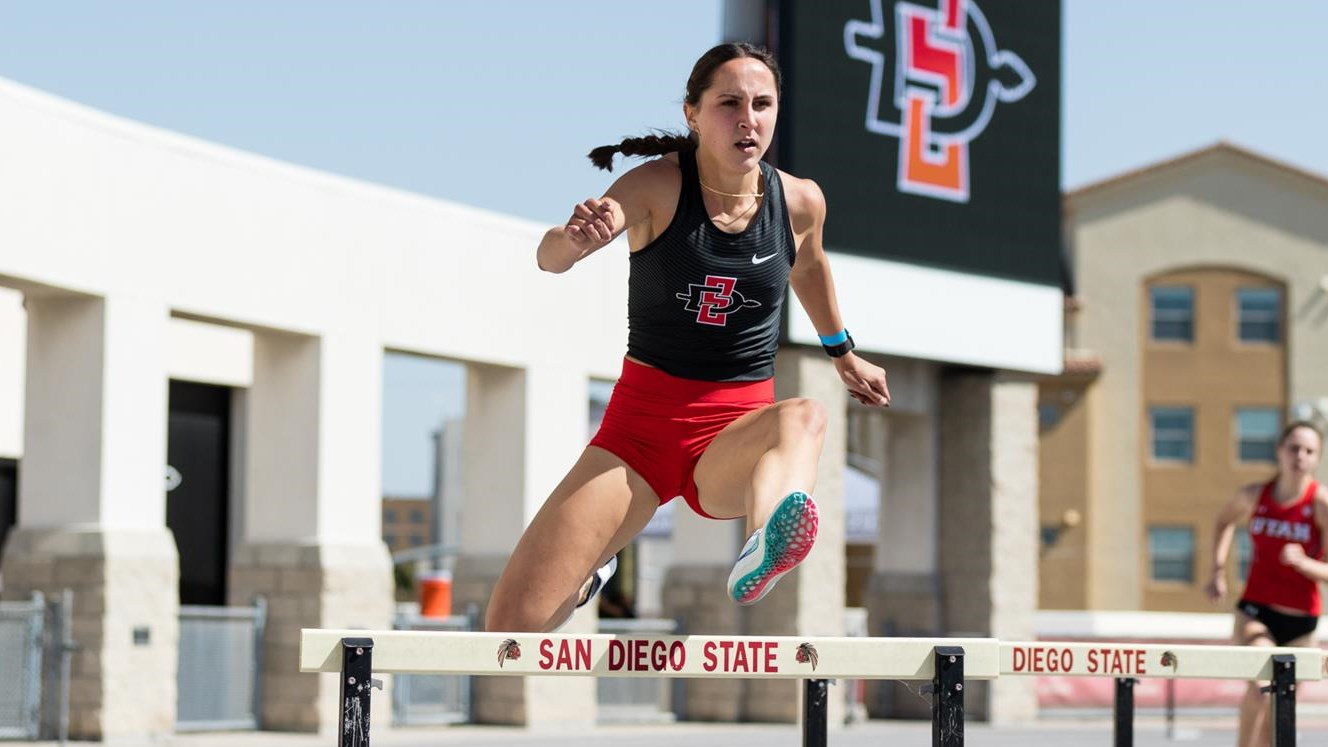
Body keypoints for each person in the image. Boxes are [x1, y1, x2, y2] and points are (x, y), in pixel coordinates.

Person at [483, 42, 890, 634]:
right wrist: (572, 242)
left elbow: (808, 267)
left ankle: (764, 545)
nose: (747, 119)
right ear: (693, 115)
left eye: (761, 104)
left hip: (732, 437)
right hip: (639, 436)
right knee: (510, 629)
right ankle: (593, 565)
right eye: (728, 103)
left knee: (803, 417)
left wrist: (843, 351)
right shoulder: (656, 187)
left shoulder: (800, 201)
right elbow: (550, 259)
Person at [1207, 420, 1325, 747]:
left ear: (1317, 458)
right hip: (1255, 612)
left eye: (1309, 451)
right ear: (1279, 451)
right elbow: (1222, 522)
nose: (1299, 456)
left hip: (1301, 622)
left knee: (1281, 705)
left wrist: (1305, 564)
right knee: (1263, 684)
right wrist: (1217, 570)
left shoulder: (1321, 506)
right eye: (1293, 448)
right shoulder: (1253, 495)